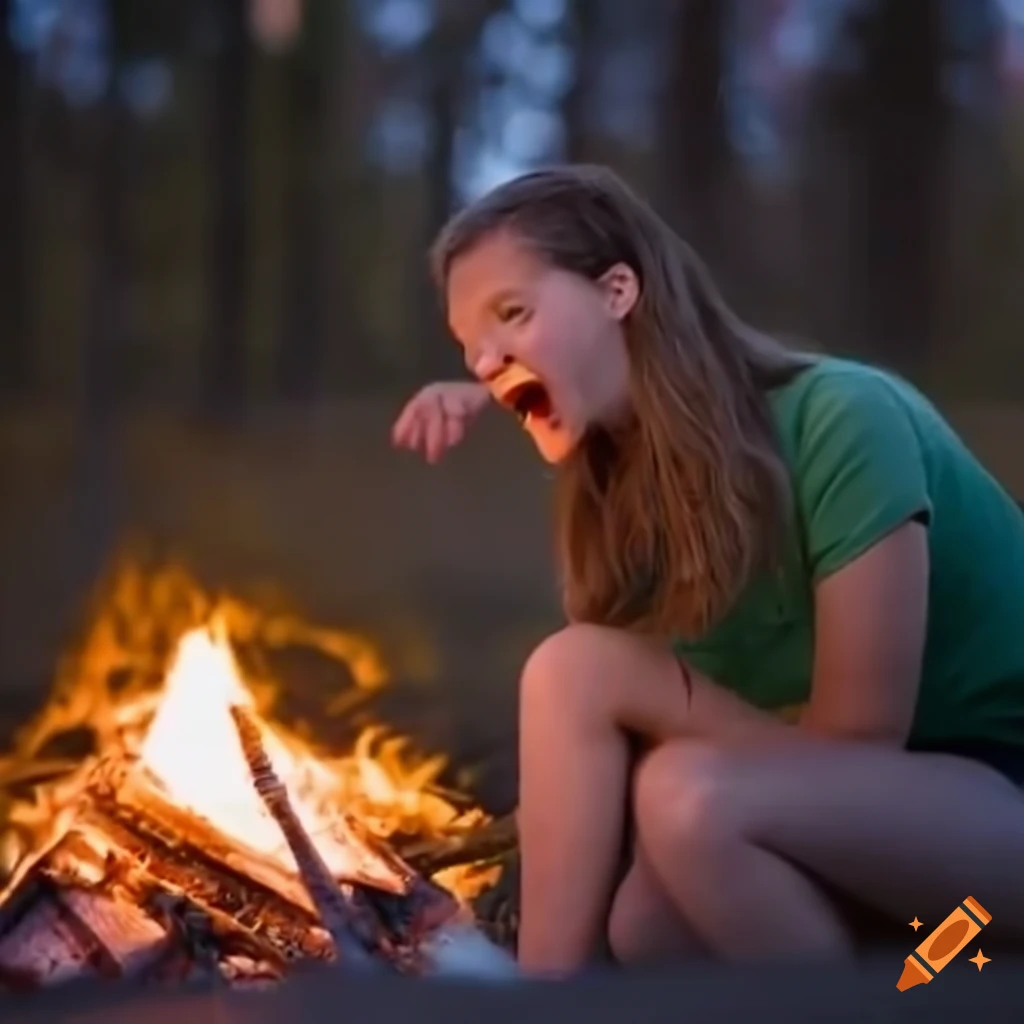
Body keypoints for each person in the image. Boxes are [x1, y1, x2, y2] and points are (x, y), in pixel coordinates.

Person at [390, 164, 1024, 975]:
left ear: (619, 290)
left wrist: (640, 689)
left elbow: (863, 738)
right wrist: (520, 365)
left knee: (679, 785)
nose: (483, 363)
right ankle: (906, 981)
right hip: (919, 928)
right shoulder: (618, 500)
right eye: (471, 350)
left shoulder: (844, 421)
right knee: (650, 925)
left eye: (511, 314)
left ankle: (543, 1004)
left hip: (984, 876)